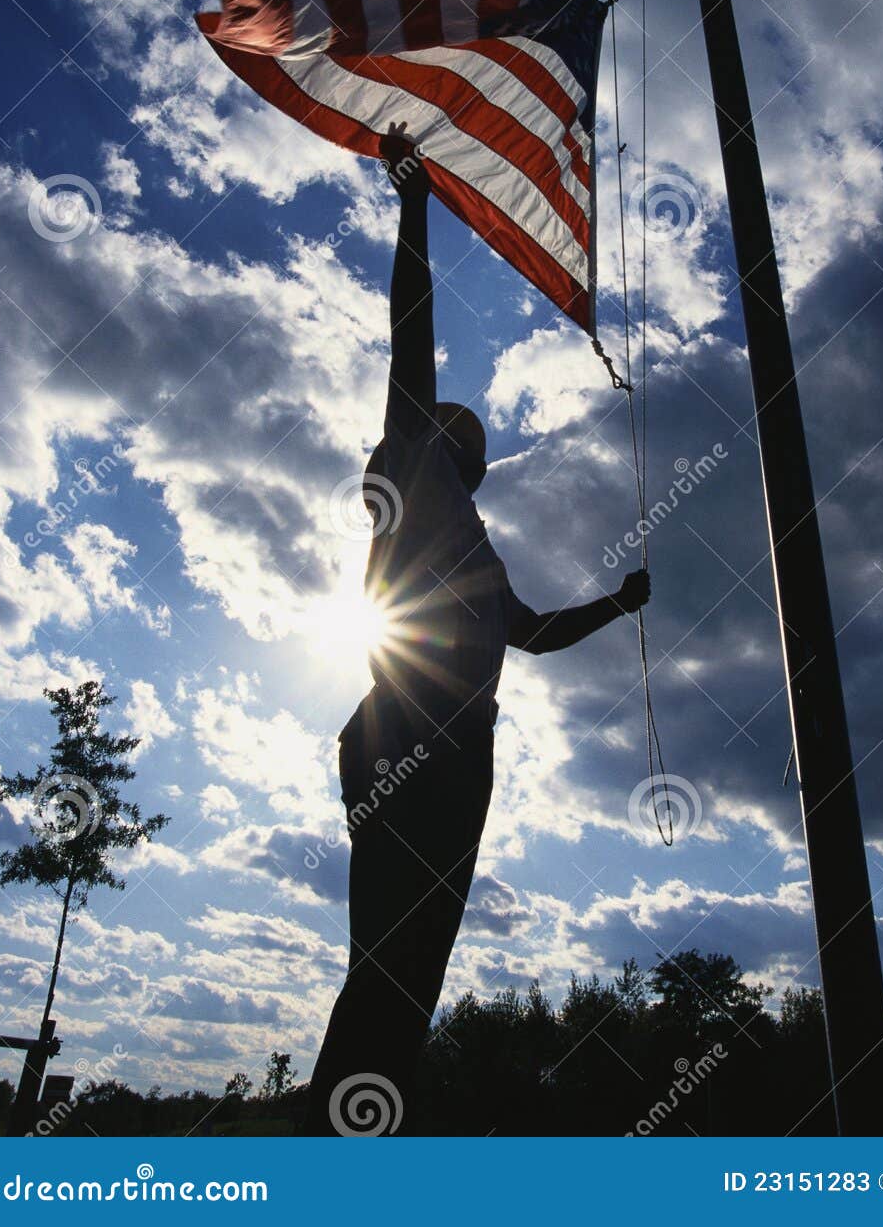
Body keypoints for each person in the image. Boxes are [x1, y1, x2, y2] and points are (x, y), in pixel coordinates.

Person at [303, 125, 650, 1135]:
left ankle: (369, 1129)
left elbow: (532, 635)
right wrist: (412, 207)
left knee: (412, 971)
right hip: (405, 733)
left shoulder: (478, 553)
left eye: (471, 436)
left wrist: (618, 605)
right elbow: (410, 337)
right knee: (386, 964)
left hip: (461, 753)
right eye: (460, 424)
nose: (464, 431)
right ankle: (334, 1147)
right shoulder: (408, 461)